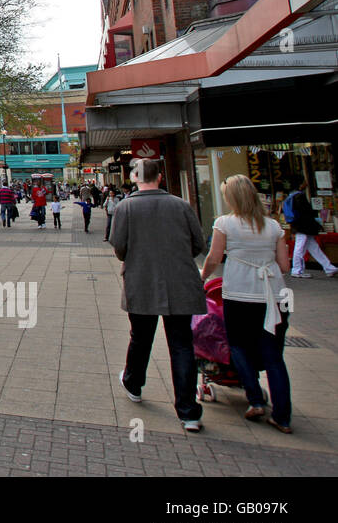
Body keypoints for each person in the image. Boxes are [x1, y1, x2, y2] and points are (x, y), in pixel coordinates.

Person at [108, 158, 206, 432]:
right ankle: (188, 412)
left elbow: (119, 246)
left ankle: (133, 382)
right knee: (181, 344)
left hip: (141, 281)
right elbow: (198, 243)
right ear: (160, 177)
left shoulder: (126, 207)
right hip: (180, 283)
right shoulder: (181, 205)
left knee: (140, 337)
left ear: (135, 178)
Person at [199, 174, 294, 434]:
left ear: (232, 198)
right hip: (273, 296)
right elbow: (285, 265)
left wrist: (203, 276)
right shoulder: (273, 226)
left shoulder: (225, 223)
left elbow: (214, 257)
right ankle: (283, 417)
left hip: (240, 295)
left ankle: (255, 399)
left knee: (238, 346)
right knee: (274, 356)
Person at [286, 178, 338, 278]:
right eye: (304, 182)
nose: (306, 183)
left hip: (300, 226)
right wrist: (315, 224)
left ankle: (329, 267)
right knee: (300, 247)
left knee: (314, 248)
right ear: (300, 185)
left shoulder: (292, 196)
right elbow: (306, 213)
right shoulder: (299, 196)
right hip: (303, 227)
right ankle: (297, 270)